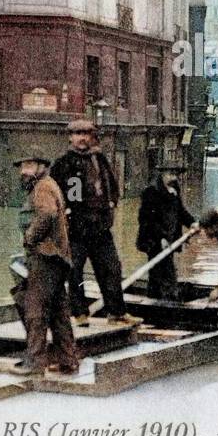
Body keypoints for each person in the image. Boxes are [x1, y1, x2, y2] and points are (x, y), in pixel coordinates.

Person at [50, 119, 137, 327]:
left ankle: (116, 313)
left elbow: (111, 185)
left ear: (92, 137)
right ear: (70, 137)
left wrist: (112, 204)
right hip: (76, 229)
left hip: (100, 227)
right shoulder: (63, 163)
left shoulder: (99, 159)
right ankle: (79, 314)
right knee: (75, 272)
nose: (82, 138)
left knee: (112, 269)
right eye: (78, 134)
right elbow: (58, 195)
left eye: (86, 134)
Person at [10, 156, 80, 377]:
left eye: (29, 166)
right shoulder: (48, 185)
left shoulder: (42, 187)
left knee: (35, 309)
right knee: (59, 312)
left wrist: (30, 237)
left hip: (45, 257)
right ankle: (68, 360)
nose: (24, 171)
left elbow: (47, 214)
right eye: (22, 166)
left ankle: (35, 361)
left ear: (41, 167)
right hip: (56, 259)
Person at [136, 161, 198, 301]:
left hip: (170, 239)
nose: (174, 178)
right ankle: (160, 301)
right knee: (161, 273)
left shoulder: (174, 190)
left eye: (175, 174)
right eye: (170, 174)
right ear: (162, 174)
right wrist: (161, 238)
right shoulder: (151, 191)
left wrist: (191, 222)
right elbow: (148, 219)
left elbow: (180, 211)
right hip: (153, 240)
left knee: (165, 271)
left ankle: (161, 299)